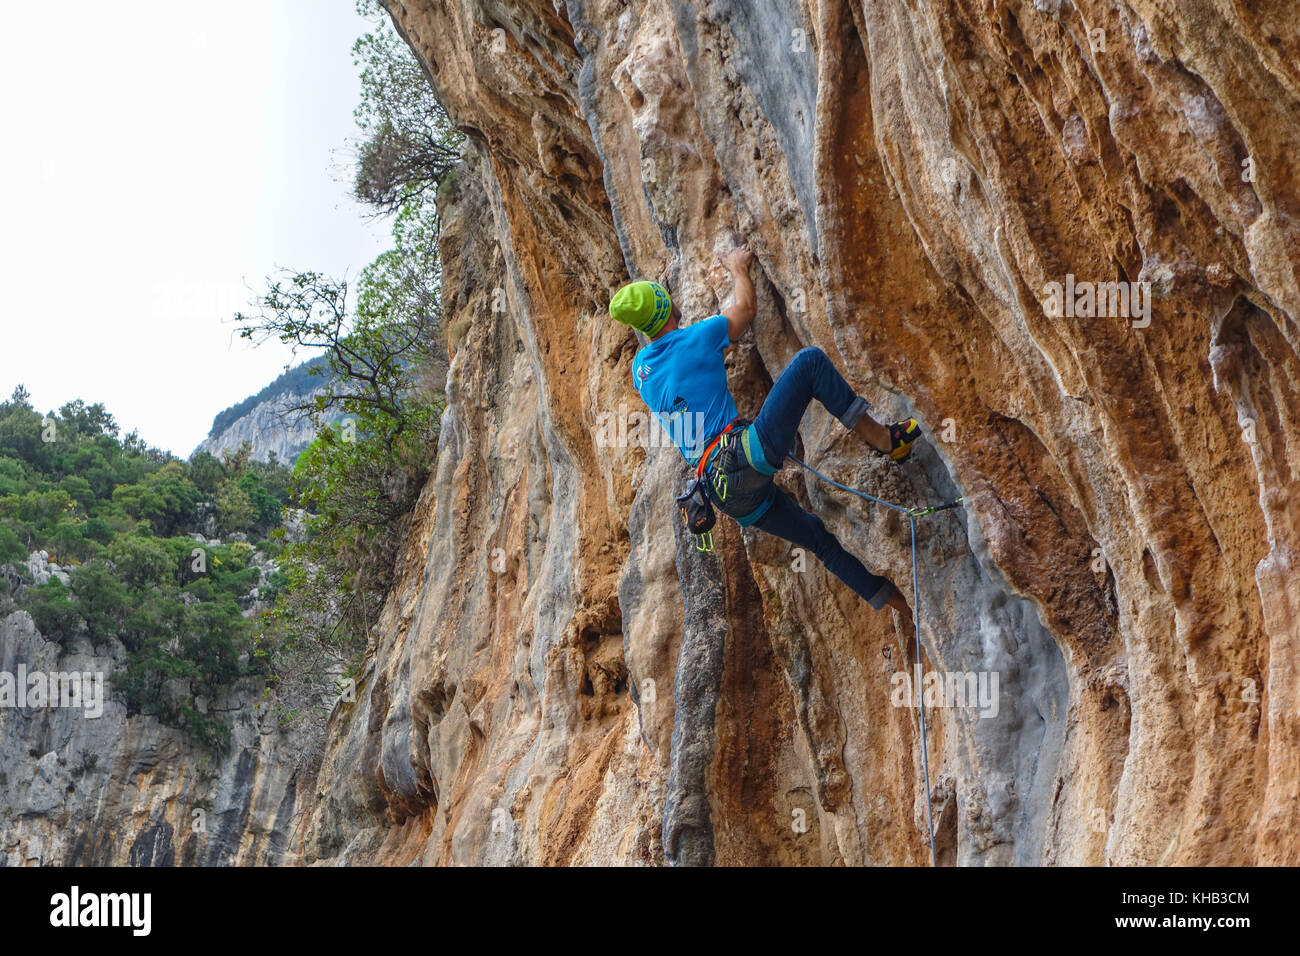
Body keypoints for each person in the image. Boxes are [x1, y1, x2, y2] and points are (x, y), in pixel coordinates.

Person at [609, 246, 921, 615]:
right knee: (809, 363)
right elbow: (745, 311)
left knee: (820, 542)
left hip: (725, 496)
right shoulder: (695, 339)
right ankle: (886, 440)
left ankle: (907, 611)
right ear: (665, 306)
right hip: (741, 456)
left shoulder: (641, 370)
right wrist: (739, 269)